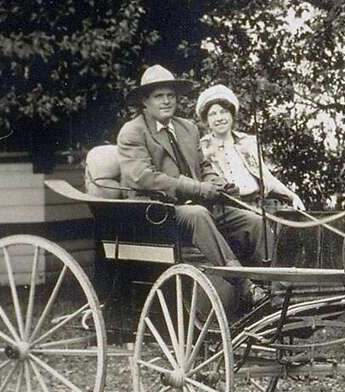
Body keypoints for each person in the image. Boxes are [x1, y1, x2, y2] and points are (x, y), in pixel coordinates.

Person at [117, 65, 269, 303]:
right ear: (144, 101)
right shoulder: (133, 132)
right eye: (159, 96)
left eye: (171, 95)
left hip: (198, 207)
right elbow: (143, 177)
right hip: (156, 213)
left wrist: (217, 183)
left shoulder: (187, 128)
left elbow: (203, 167)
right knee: (197, 214)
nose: (167, 101)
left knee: (255, 221)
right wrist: (198, 188)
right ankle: (244, 286)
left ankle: (269, 289)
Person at [196, 84, 306, 211]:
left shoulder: (247, 142)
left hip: (258, 206)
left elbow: (267, 177)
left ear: (232, 115)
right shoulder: (202, 148)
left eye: (224, 112)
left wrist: (292, 196)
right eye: (213, 114)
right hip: (225, 210)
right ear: (206, 120)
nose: (219, 118)